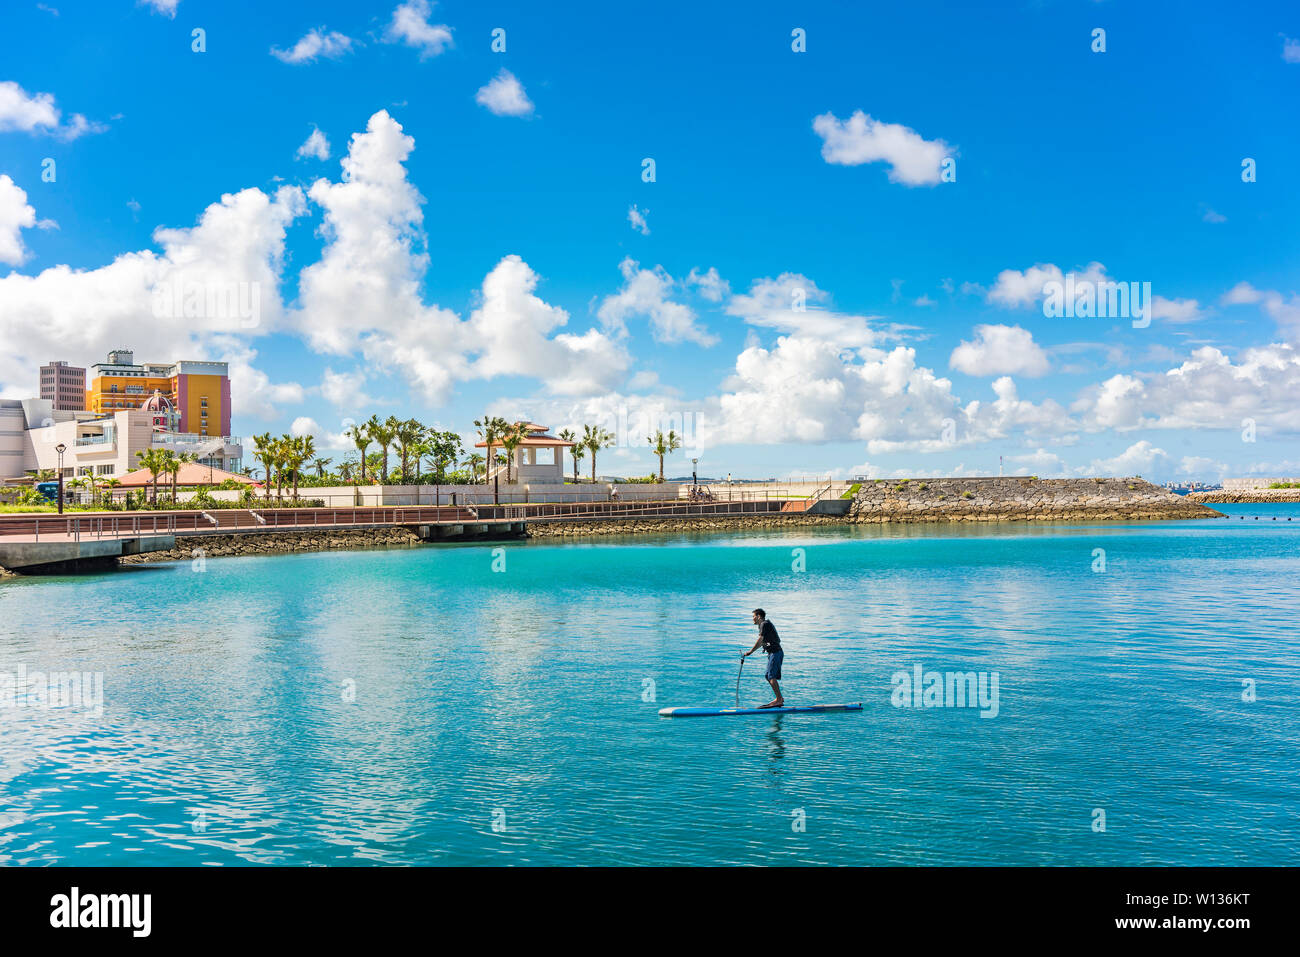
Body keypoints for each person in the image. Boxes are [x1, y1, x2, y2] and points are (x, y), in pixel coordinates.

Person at [742, 608, 783, 708]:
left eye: (753, 616)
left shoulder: (764, 624)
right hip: (773, 653)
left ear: (759, 616)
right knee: (767, 675)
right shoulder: (763, 625)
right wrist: (751, 652)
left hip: (775, 653)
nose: (753, 619)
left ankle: (779, 700)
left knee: (771, 676)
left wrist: (751, 651)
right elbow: (763, 641)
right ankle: (779, 698)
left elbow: (760, 640)